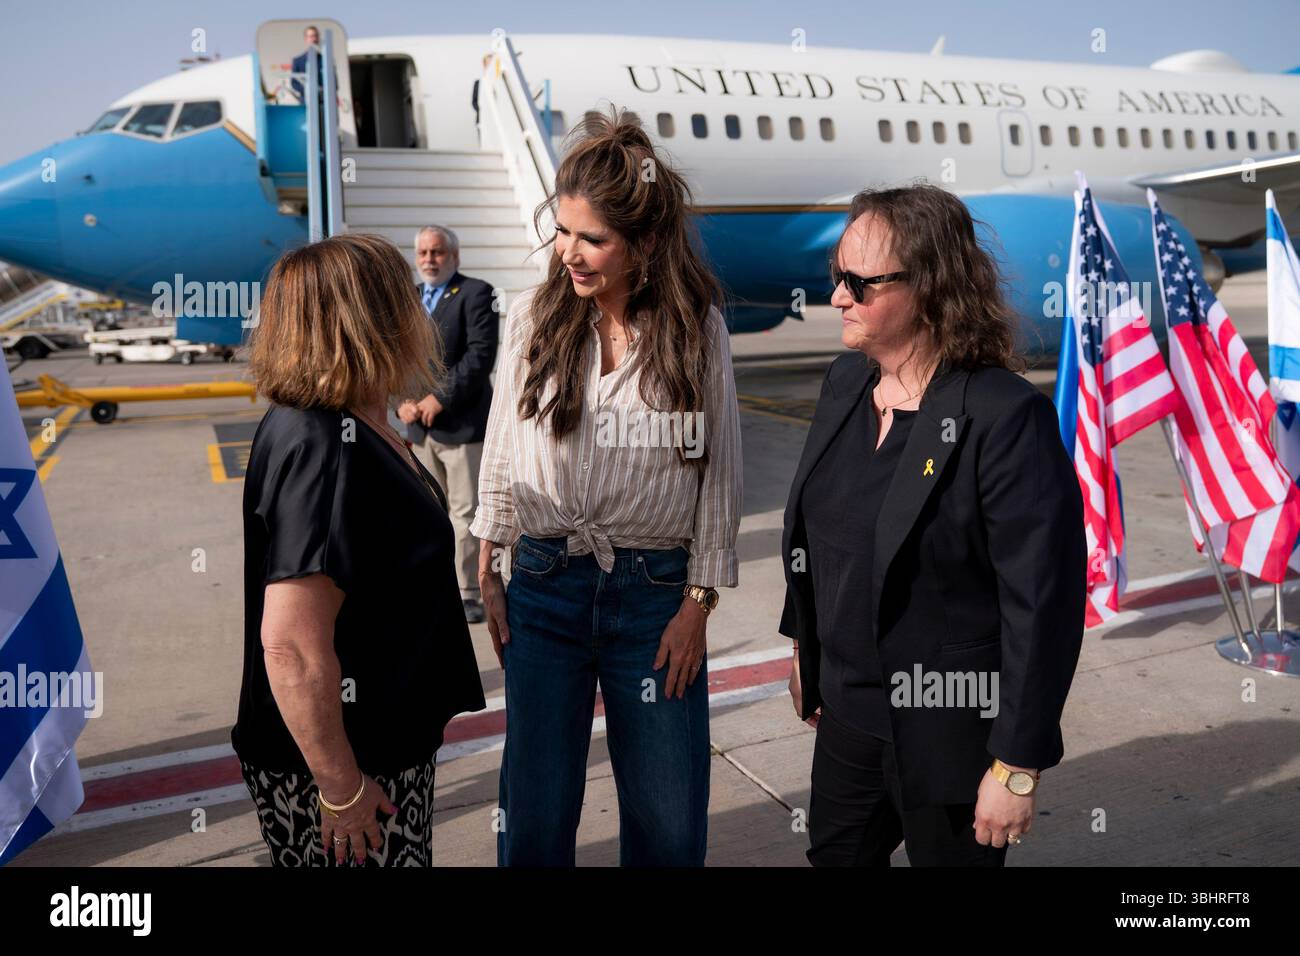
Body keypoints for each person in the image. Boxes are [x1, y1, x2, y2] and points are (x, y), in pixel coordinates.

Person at [780, 183, 1086, 867]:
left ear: (929, 285)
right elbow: (818, 535)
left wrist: (1016, 765)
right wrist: (805, 640)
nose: (838, 298)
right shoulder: (844, 384)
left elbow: (1044, 606)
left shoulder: (1003, 417)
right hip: (847, 719)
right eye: (838, 279)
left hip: (950, 731)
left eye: (859, 284)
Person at [470, 108, 742, 866]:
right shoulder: (530, 318)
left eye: (593, 239)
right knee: (533, 818)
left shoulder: (697, 330)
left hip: (654, 598)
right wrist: (488, 563)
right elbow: (501, 444)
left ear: (646, 242)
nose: (570, 254)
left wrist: (698, 603)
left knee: (667, 823)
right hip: (544, 584)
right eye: (563, 232)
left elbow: (719, 474)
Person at [232, 232, 486, 867]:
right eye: (402, 297)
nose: (417, 312)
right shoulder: (323, 444)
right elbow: (290, 645)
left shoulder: (349, 415)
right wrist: (341, 788)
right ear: (368, 319)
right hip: (346, 764)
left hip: (376, 746)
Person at [398, 225, 498, 624]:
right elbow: (397, 354)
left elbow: (480, 356)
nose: (428, 259)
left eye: (437, 252)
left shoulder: (477, 293)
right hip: (418, 429)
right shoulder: (409, 299)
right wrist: (400, 400)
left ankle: (470, 591)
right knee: (427, 512)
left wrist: (439, 398)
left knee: (465, 512)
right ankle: (436, 586)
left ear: (454, 257)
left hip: (461, 428)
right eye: (423, 252)